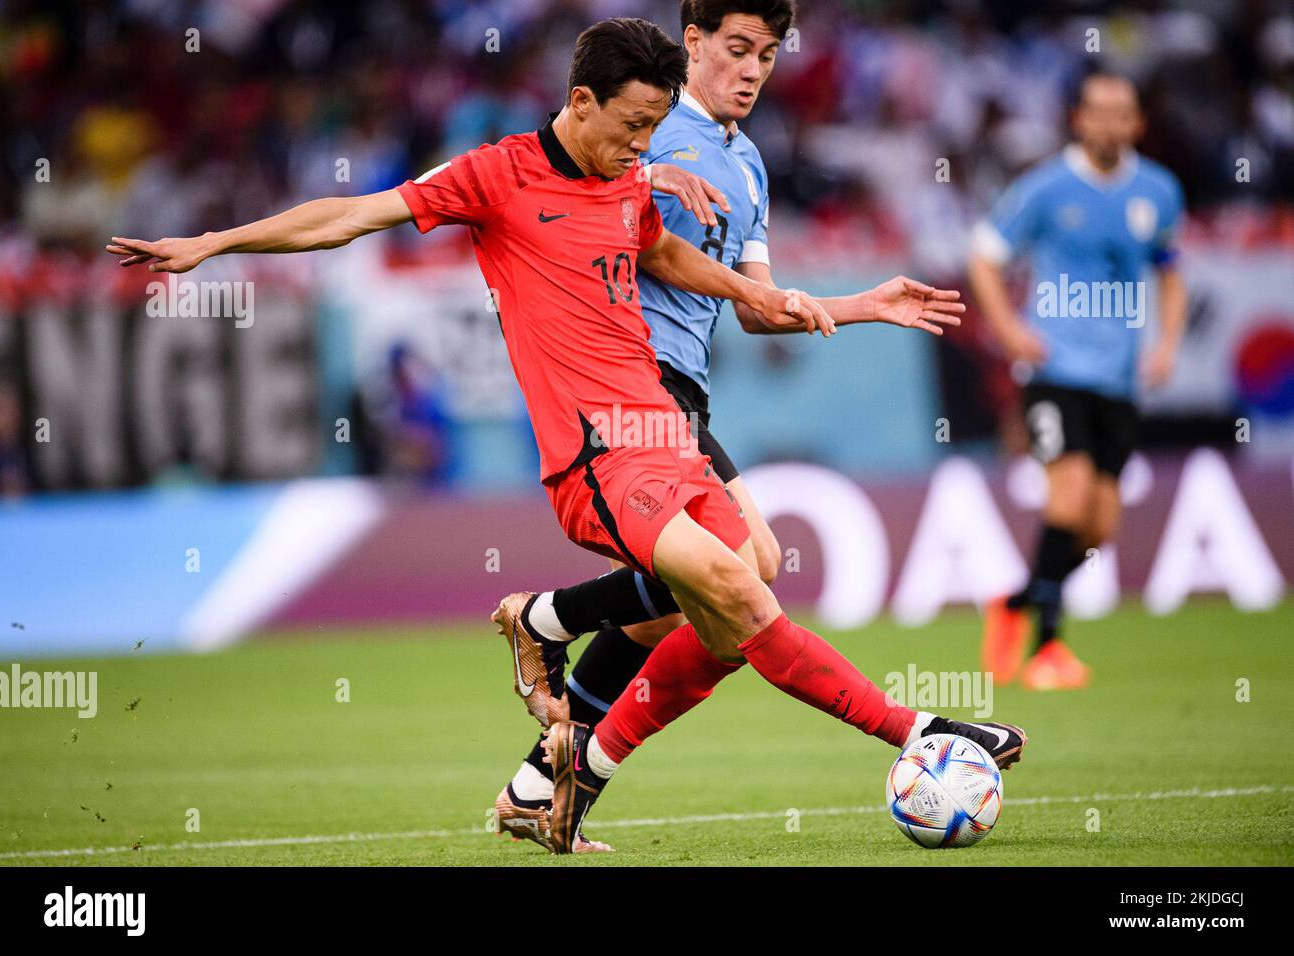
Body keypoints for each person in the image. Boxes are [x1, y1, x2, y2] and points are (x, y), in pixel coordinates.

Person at [108, 17, 1025, 858]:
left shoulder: (629, 183)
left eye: (654, 129)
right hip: (598, 456)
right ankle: (924, 733)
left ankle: (564, 748)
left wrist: (762, 293)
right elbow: (350, 215)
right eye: (631, 127)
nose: (642, 147)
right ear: (580, 101)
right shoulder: (495, 176)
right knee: (740, 598)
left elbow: (664, 253)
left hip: (666, 431)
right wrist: (215, 243)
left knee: (721, 612)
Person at [490, 0, 967, 854]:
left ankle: (539, 778)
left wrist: (862, 305)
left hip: (685, 391)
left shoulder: (747, 163)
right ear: (694, 44)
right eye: (737, 49)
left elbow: (757, 311)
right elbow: (562, 178)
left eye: (769, 55)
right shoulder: (649, 129)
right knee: (739, 578)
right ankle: (549, 633)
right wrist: (646, 178)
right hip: (633, 385)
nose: (752, 70)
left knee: (681, 607)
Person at [970, 72, 1187, 691]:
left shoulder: (1159, 191)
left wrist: (1167, 343)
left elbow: (1171, 273)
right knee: (1066, 501)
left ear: (1137, 123)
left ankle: (1013, 603)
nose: (1110, 124)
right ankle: (1049, 648)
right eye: (1099, 112)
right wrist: (1010, 332)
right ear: (1078, 119)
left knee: (1097, 529)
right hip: (1055, 371)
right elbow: (983, 256)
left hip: (1118, 380)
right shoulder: (1045, 189)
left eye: (1122, 113)